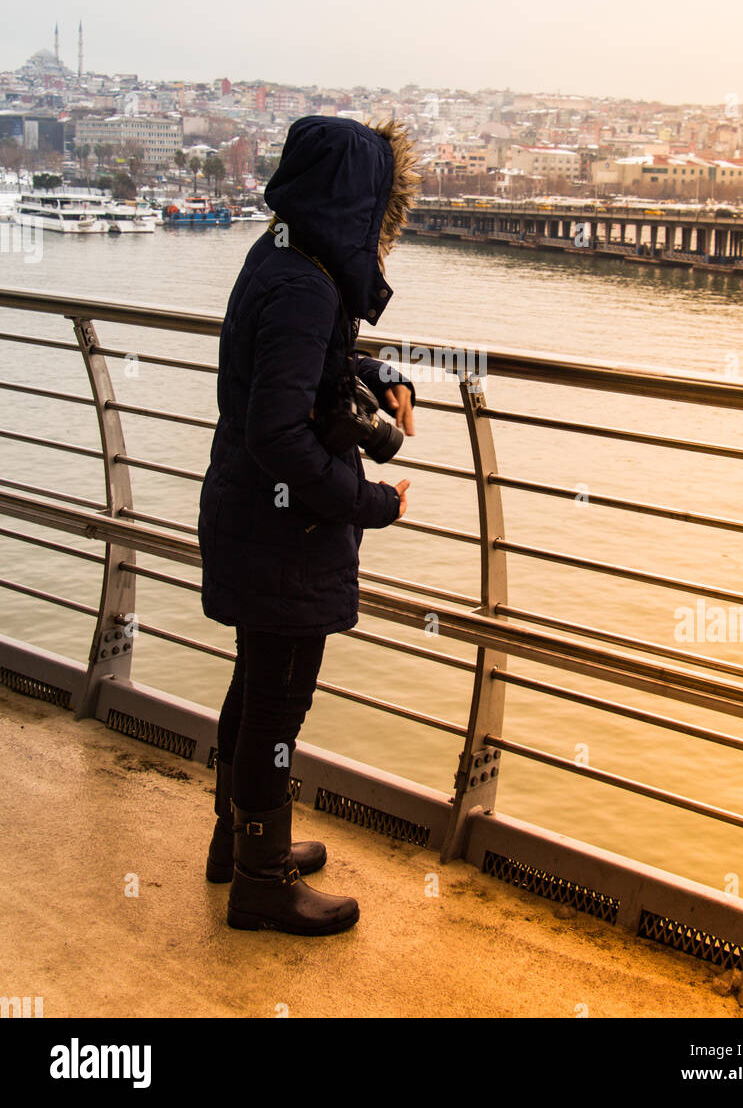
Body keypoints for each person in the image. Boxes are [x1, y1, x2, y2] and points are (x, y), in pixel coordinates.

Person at [197, 115, 420, 936]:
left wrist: (375, 370)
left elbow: (296, 368)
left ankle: (240, 842)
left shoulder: (283, 258)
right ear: (357, 199)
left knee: (255, 694)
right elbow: (280, 433)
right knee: (277, 712)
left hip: (255, 523)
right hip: (281, 537)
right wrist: (372, 503)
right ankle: (260, 881)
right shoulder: (306, 284)